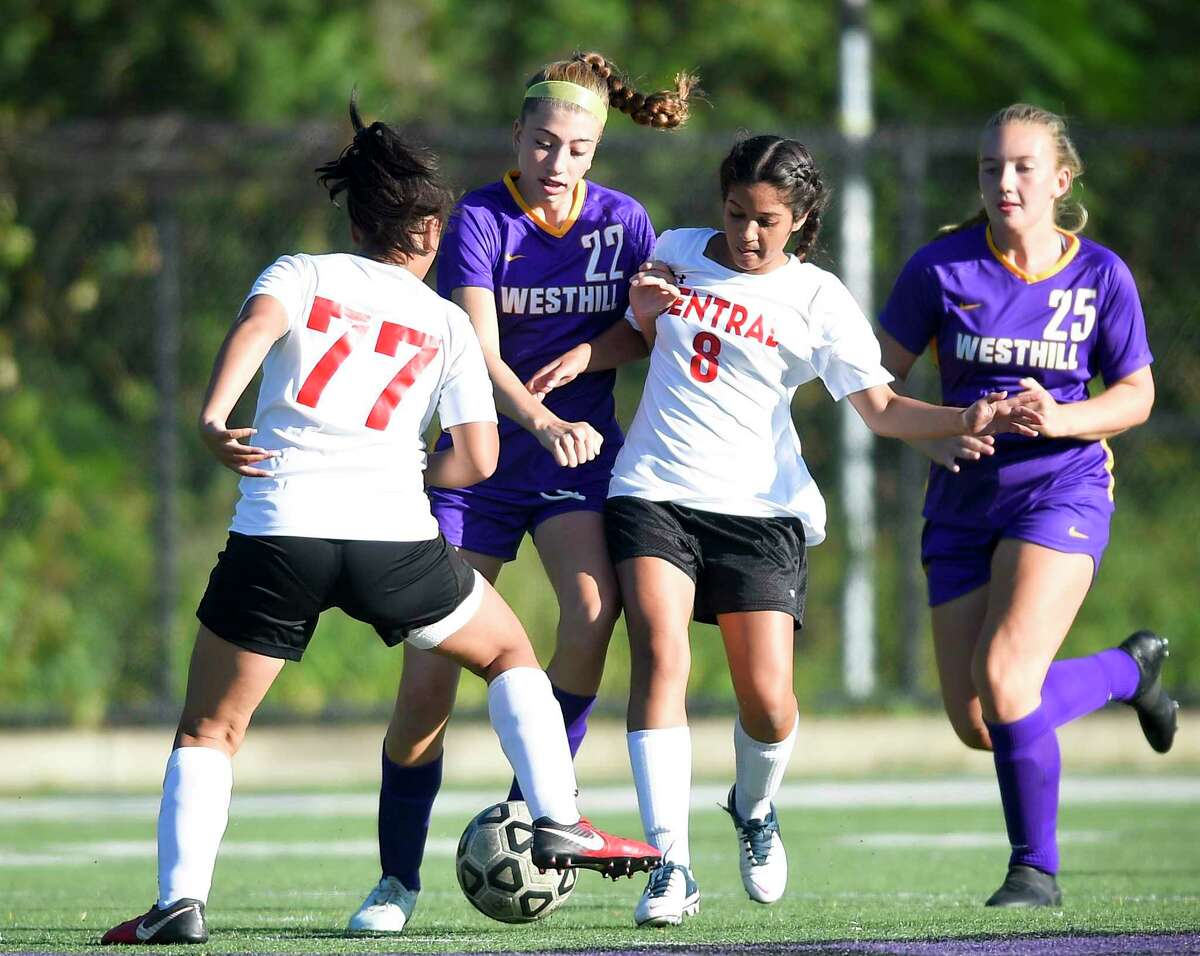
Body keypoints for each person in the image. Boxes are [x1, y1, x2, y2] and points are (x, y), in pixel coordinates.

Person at [100, 96, 660, 947]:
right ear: (430, 234)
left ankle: (180, 902)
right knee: (508, 654)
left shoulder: (301, 273)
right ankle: (557, 816)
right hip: (394, 541)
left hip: (280, 533)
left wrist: (216, 416)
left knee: (211, 727)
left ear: (356, 222)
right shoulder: (445, 320)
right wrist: (408, 469)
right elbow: (478, 459)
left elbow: (258, 325)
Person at [539, 134, 1043, 927]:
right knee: (661, 656)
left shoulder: (818, 298)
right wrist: (599, 344)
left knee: (770, 704)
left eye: (767, 220)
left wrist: (962, 417)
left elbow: (881, 409)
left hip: (759, 509)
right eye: (736, 212)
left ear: (801, 218)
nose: (747, 233)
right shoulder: (675, 251)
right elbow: (640, 333)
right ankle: (669, 866)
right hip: (654, 490)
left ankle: (753, 805)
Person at [347, 52, 696, 933]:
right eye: (544, 143)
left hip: (573, 463)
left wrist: (595, 350)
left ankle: (534, 811)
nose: (557, 162)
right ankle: (395, 880)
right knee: (429, 677)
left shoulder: (624, 221)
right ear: (517, 135)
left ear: (597, 149)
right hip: (482, 462)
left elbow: (642, 331)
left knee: (592, 613)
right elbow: (478, 348)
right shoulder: (480, 217)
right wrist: (541, 420)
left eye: (578, 149)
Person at [877, 103, 1178, 908]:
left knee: (1009, 676)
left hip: (1061, 487)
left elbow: (1138, 394)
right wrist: (938, 433)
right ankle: (1128, 671)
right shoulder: (939, 269)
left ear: (1061, 179)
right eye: (991, 168)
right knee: (981, 719)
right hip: (962, 500)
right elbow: (872, 389)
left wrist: (1064, 419)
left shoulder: (1101, 275)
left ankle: (1033, 872)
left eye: (1022, 167)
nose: (1004, 182)